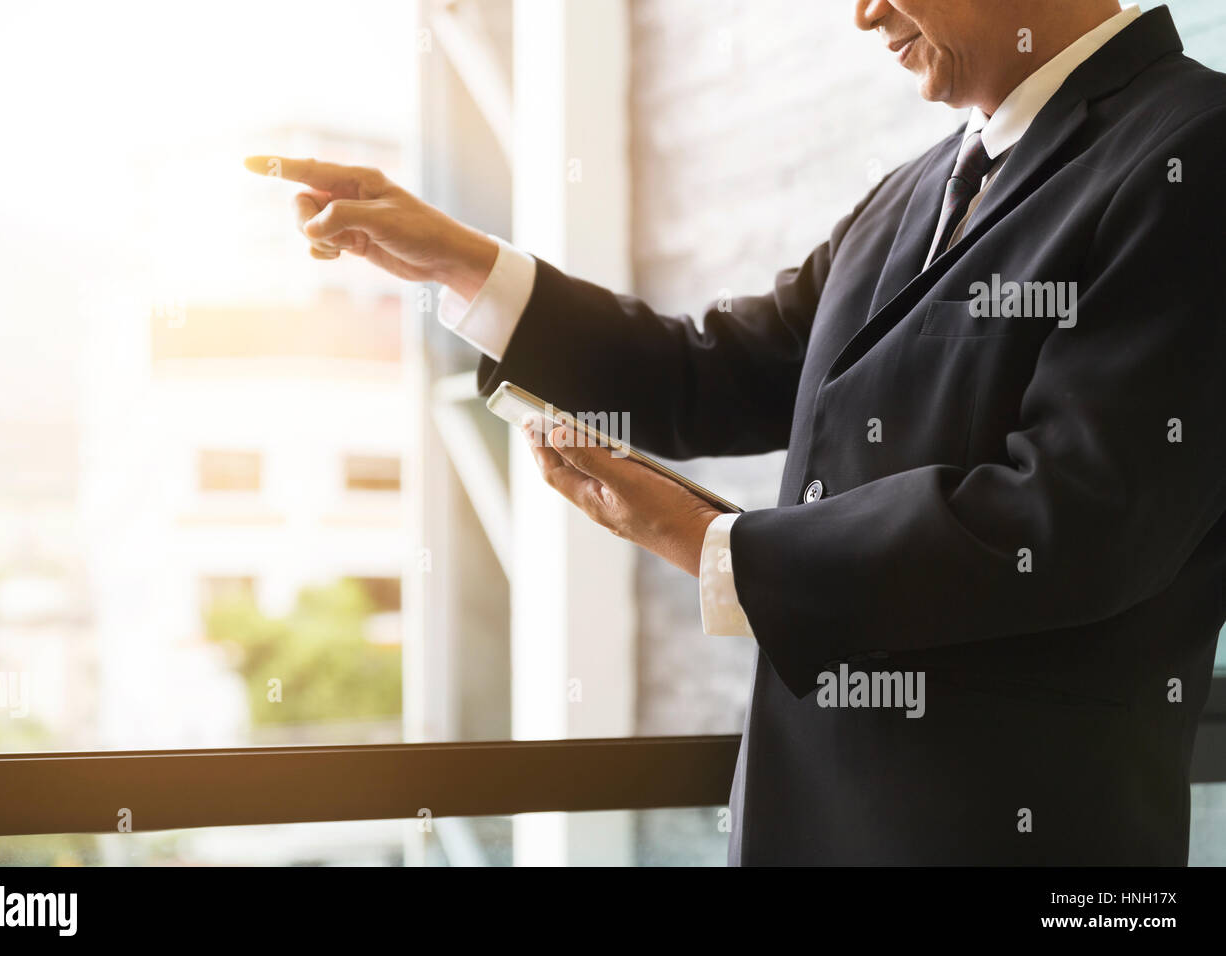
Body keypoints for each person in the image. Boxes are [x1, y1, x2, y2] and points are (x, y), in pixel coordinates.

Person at [247, 1, 1226, 864]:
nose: (862, 14)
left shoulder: (1194, 148)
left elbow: (1071, 523)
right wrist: (458, 262)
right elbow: (709, 371)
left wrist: (704, 541)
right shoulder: (912, 192)